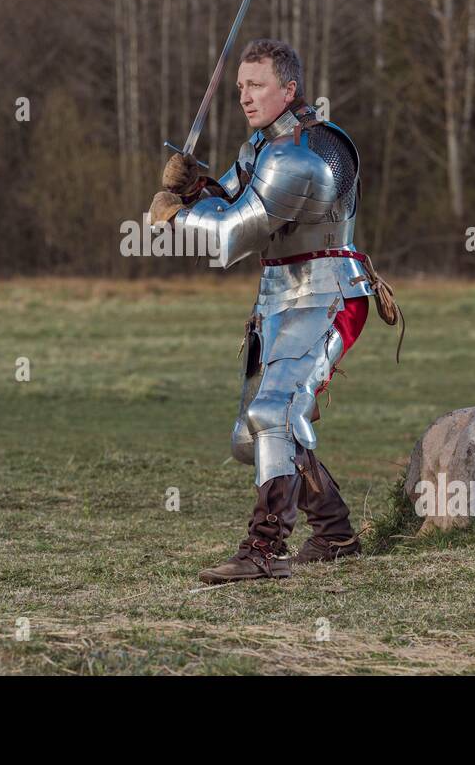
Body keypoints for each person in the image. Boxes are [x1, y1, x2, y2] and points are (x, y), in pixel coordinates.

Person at [148, 38, 373, 584]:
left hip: (326, 290)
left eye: (257, 85)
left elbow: (231, 235)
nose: (245, 97)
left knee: (274, 413)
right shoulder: (260, 148)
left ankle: (263, 550)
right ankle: (336, 533)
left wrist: (176, 218)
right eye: (241, 86)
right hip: (280, 293)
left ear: (289, 89)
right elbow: (228, 198)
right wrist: (198, 183)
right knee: (253, 435)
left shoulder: (302, 155)